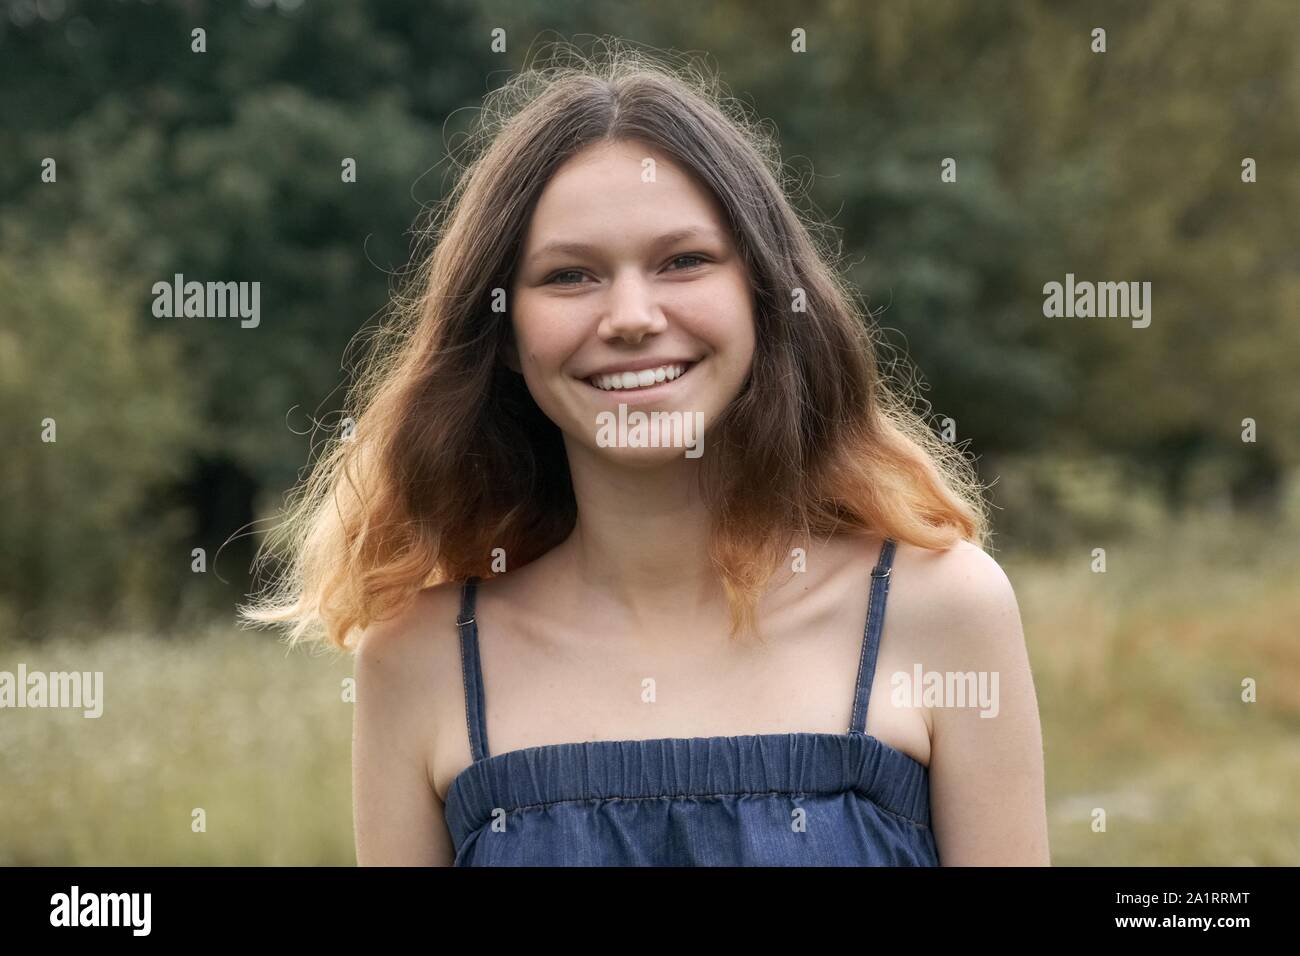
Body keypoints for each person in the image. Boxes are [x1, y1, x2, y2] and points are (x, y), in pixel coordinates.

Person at [240, 43, 1049, 866]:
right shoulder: (421, 659)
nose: (630, 315)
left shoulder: (943, 612)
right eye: (569, 276)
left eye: (683, 261)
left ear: (765, 297)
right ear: (506, 336)